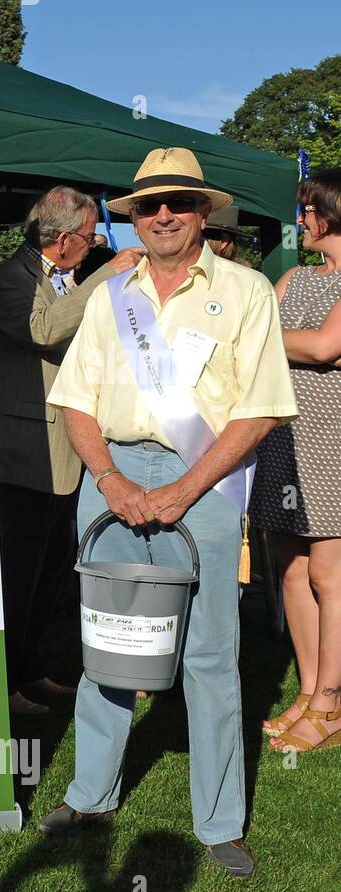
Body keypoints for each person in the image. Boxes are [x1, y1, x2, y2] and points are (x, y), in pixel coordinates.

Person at [40, 147, 298, 878]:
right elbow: (77, 400)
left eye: (178, 202)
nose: (162, 215)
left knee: (210, 654)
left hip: (206, 482)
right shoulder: (108, 294)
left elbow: (261, 410)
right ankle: (90, 796)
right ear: (133, 217)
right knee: (107, 647)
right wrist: (109, 477)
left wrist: (184, 489)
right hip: (112, 475)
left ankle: (220, 824)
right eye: (149, 205)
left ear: (202, 212)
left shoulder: (248, 291)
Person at [0, 186, 143, 717]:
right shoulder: (11, 279)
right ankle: (4, 682)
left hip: (67, 452)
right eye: (91, 237)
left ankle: (30, 668)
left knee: (50, 572)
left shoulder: (63, 277)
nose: (95, 245)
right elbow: (42, 328)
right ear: (63, 239)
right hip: (26, 455)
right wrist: (106, 276)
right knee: (18, 576)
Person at [248, 168, 341, 752]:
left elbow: (326, 345)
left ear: (330, 213)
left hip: (333, 442)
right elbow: (299, 344)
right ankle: (309, 693)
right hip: (283, 436)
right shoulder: (292, 279)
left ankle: (331, 704)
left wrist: (285, 343)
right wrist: (306, 346)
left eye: (307, 210)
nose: (300, 220)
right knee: (290, 568)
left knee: (330, 575)